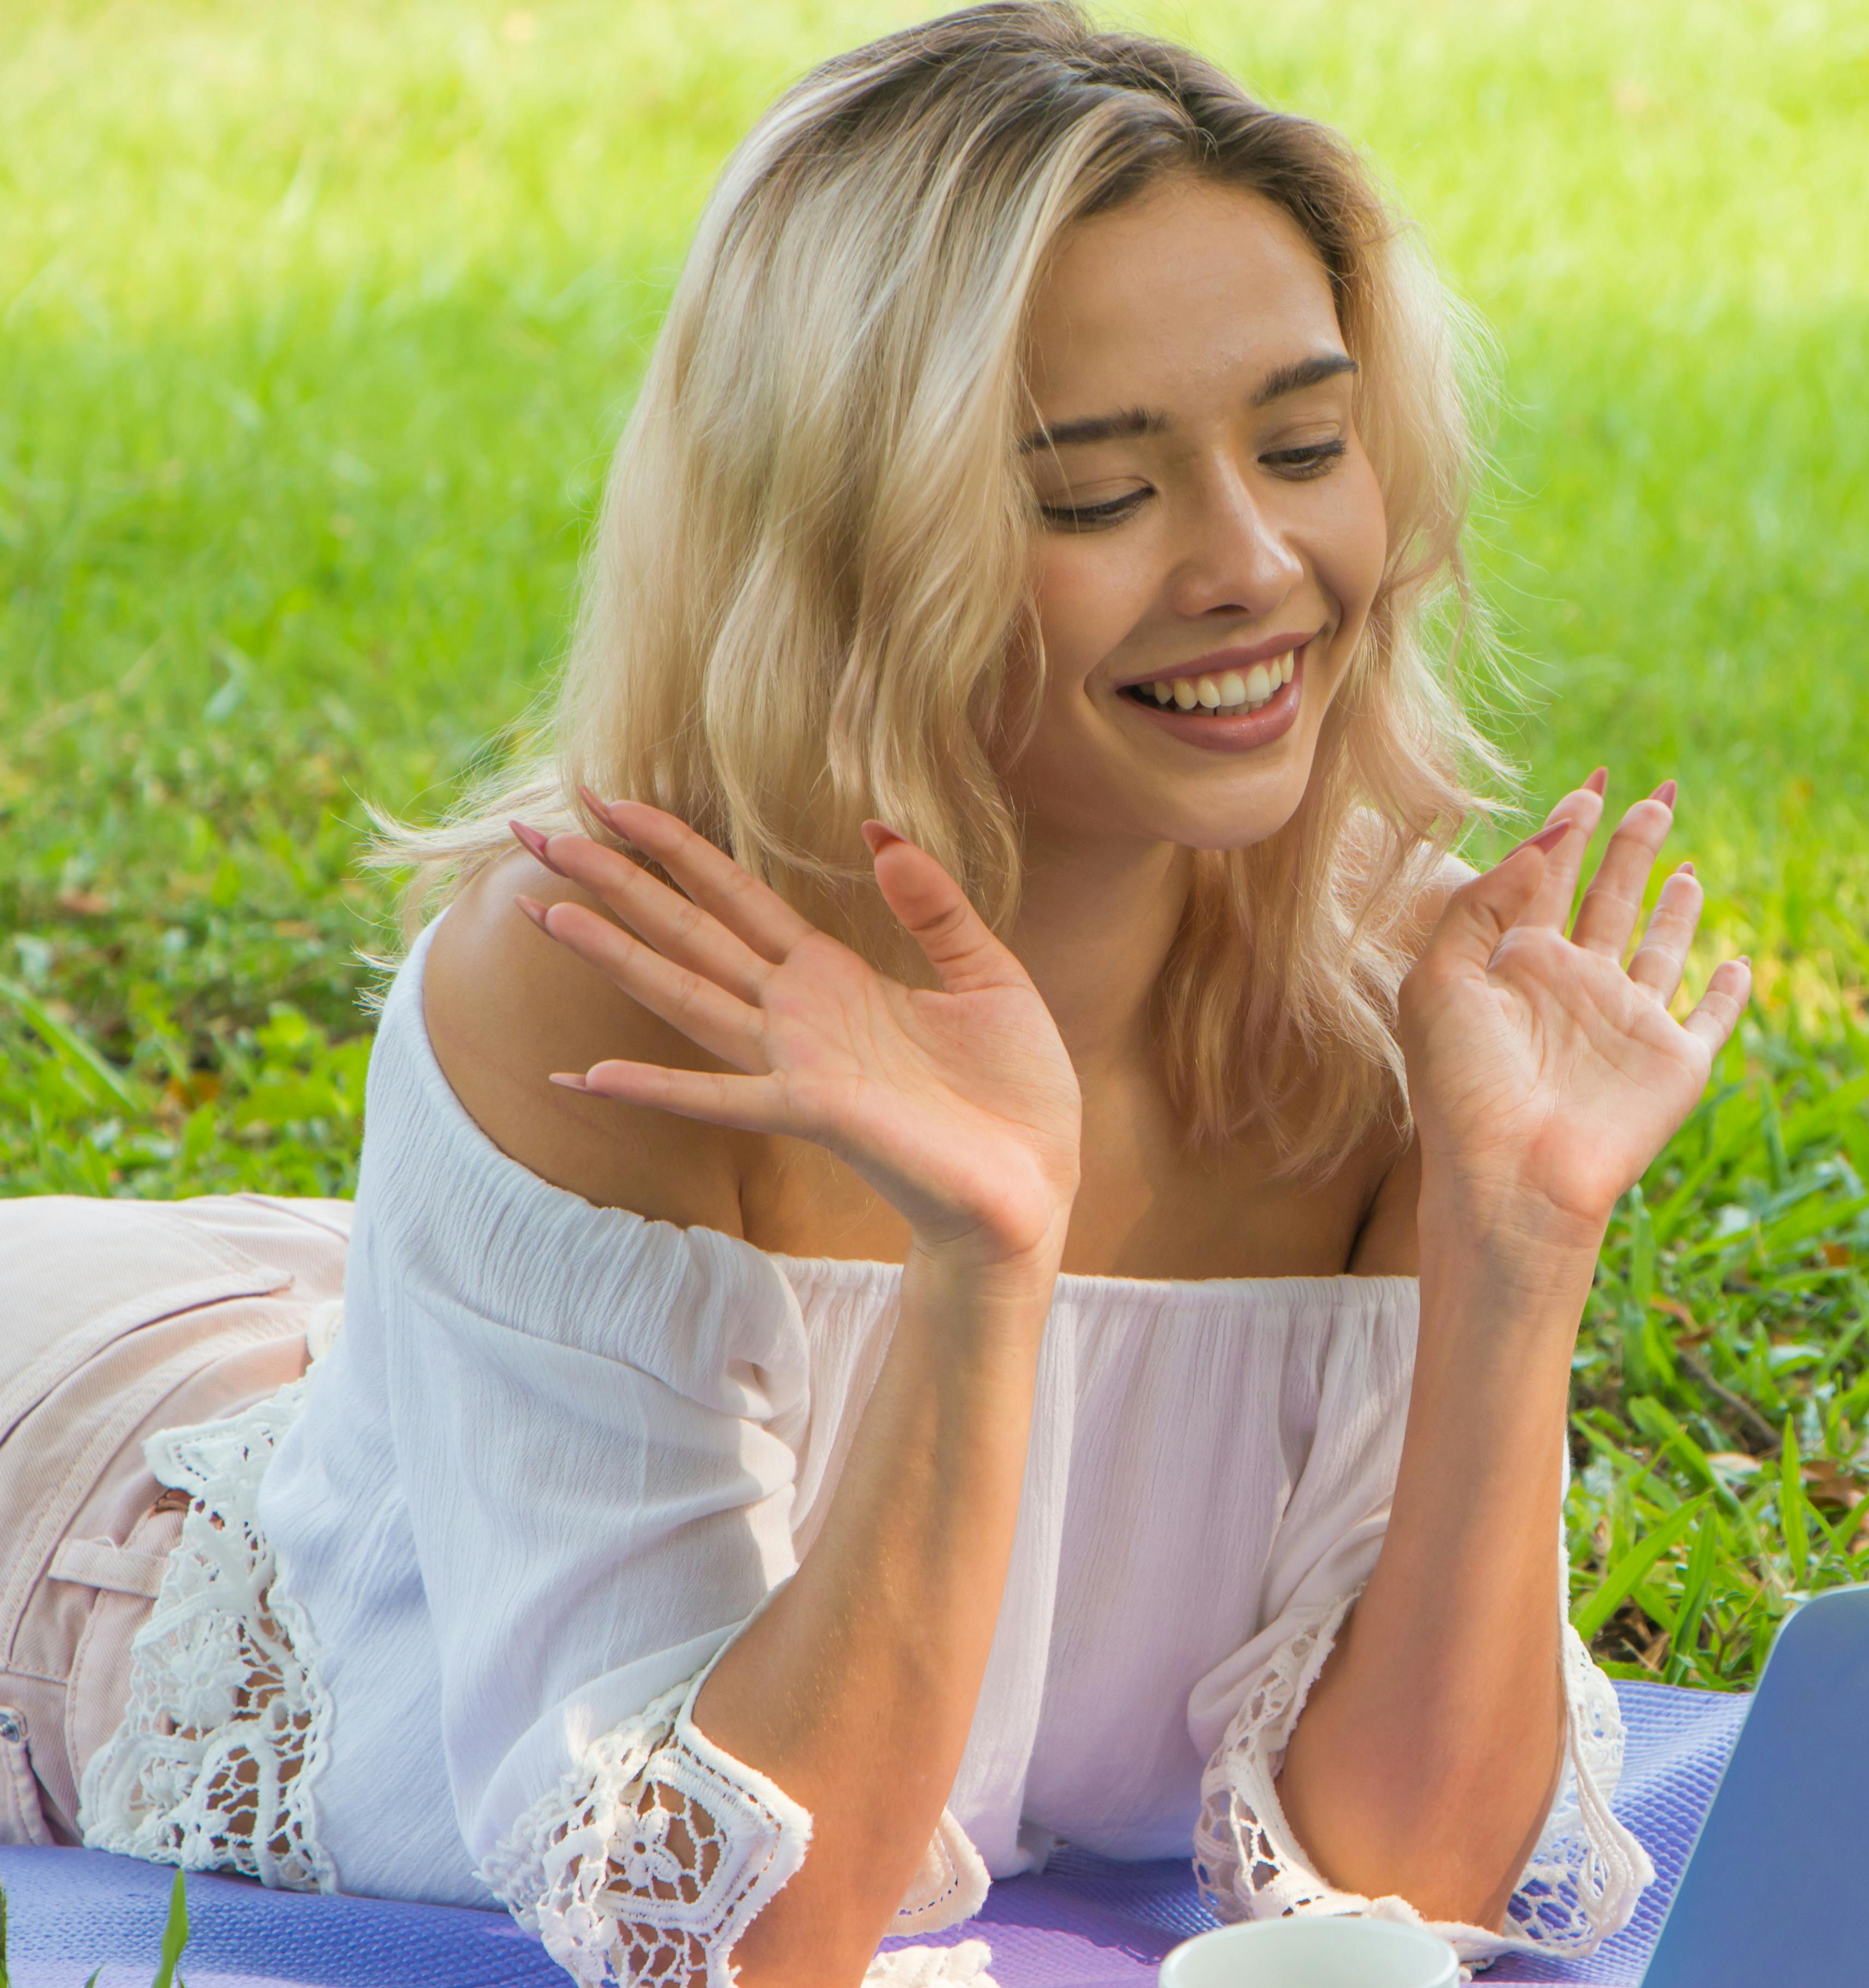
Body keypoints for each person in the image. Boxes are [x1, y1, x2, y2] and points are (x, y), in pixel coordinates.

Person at [0, 7, 1756, 1986]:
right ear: (851, 542)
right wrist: (984, 1258)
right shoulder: (605, 991)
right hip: (76, 1501)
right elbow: (752, 1938)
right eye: (1098, 495)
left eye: (1305, 445)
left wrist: (1512, 1251)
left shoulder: (1390, 1012)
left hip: (370, 1349)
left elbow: (1410, 1878)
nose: (1259, 564)